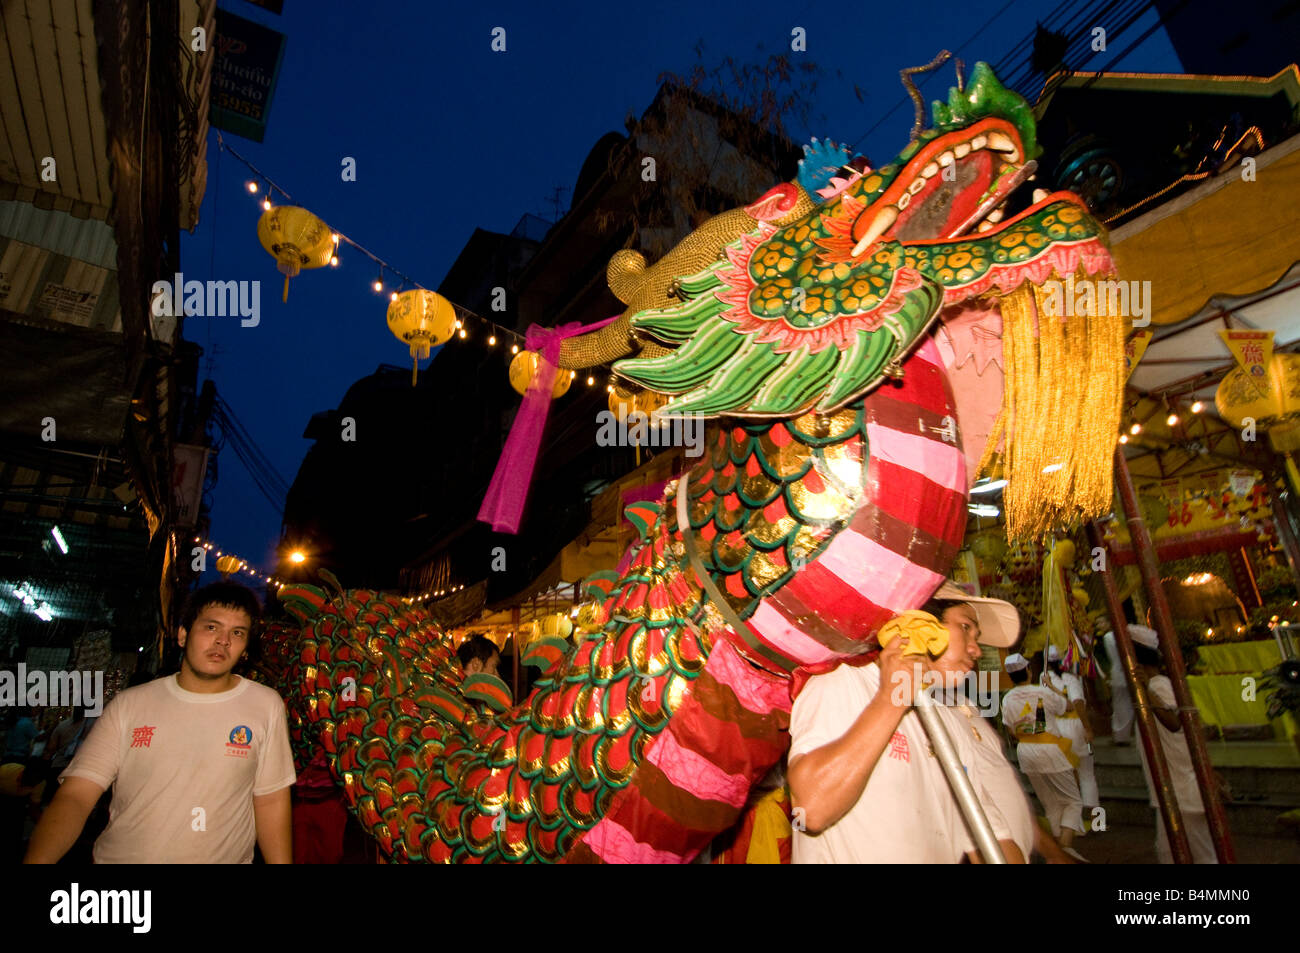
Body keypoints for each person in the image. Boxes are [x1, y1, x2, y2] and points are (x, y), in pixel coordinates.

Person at [24, 582, 296, 863]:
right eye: (211, 627)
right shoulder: (129, 705)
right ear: (182, 634)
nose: (223, 641)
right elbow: (77, 795)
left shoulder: (264, 704)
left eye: (237, 633)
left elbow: (271, 799)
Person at [788, 584, 1027, 863]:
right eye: (965, 627)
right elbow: (812, 809)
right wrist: (892, 698)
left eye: (977, 636)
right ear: (919, 620)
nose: (976, 649)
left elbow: (989, 836)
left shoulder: (948, 722)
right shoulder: (844, 680)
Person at [1129, 625, 1218, 864]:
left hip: (1182, 787)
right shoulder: (1156, 685)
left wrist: (1146, 688)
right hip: (1173, 788)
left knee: (1202, 855)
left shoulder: (1158, 686)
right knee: (1170, 852)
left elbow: (1174, 722)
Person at [1002, 653, 1087, 860]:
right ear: (1029, 671)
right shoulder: (1043, 691)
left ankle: (1058, 850)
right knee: (1073, 802)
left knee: (1051, 804)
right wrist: (1051, 686)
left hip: (1026, 752)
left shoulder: (1007, 699)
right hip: (1049, 749)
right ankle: (1064, 847)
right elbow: (1068, 706)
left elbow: (1011, 730)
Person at [1041, 644, 1098, 810]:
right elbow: (1077, 704)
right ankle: (1095, 819)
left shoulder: (1043, 678)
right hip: (1074, 726)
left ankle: (1075, 816)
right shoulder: (1070, 679)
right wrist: (1088, 728)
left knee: (1066, 774)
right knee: (1087, 773)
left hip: (1056, 728)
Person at [1100, 628, 1134, 744]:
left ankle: (1121, 736)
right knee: (1124, 704)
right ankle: (1122, 735)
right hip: (1125, 672)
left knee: (1121, 704)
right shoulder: (1123, 635)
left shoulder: (1108, 636)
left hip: (1118, 672)